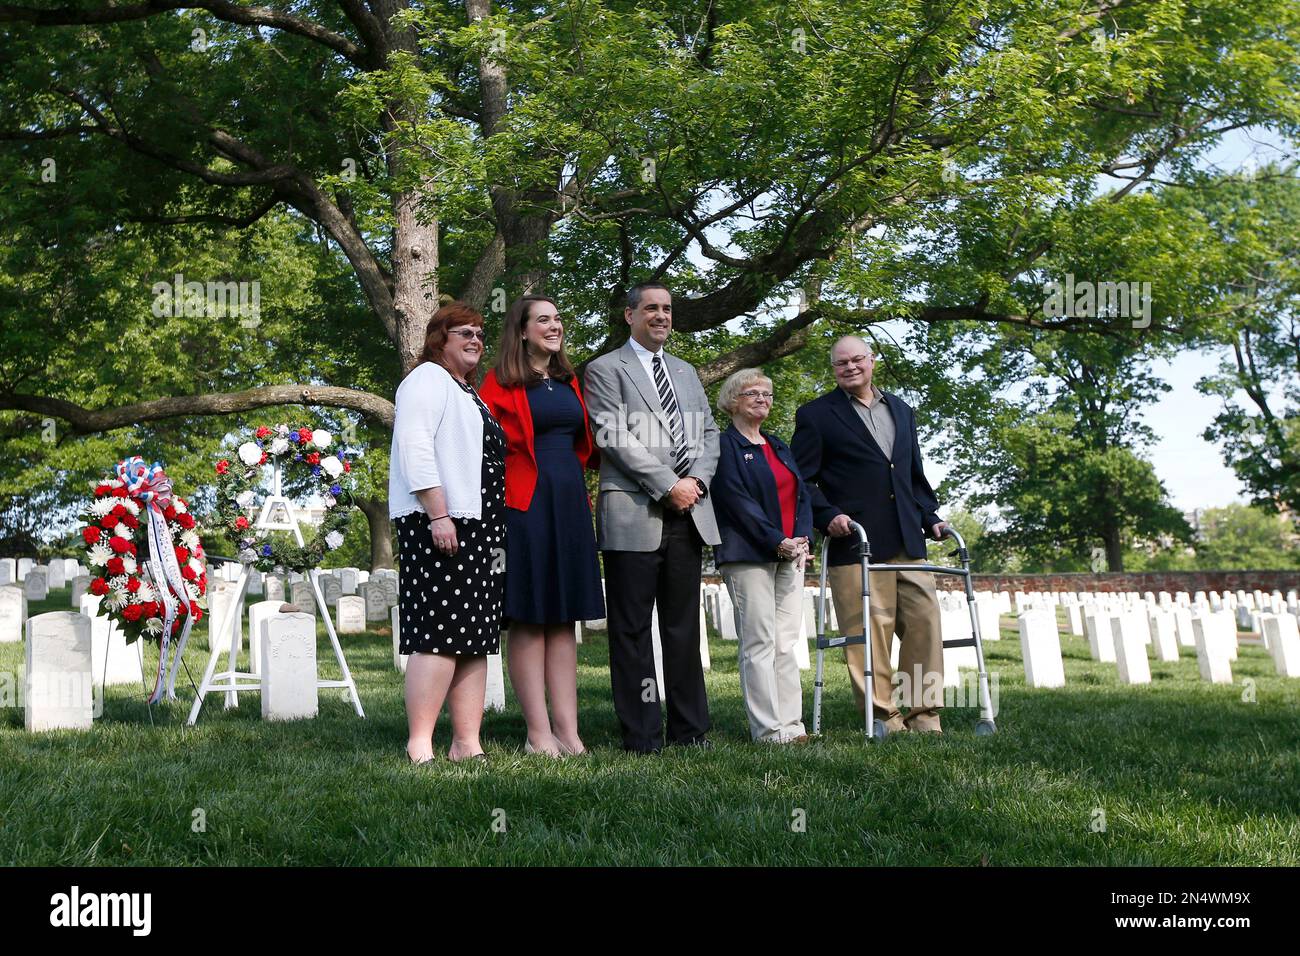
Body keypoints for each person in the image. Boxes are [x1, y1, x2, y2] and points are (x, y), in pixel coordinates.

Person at [583, 281, 720, 753]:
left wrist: (696, 483)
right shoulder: (604, 369)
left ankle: (691, 731)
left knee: (682, 627)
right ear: (630, 316)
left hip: (691, 514)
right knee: (633, 630)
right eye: (651, 308)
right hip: (634, 514)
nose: (661, 315)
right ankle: (642, 736)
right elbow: (612, 436)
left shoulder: (685, 372)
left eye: (667, 308)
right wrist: (668, 485)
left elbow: (709, 433)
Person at [791, 336, 949, 733]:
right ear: (834, 369)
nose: (849, 367)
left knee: (924, 625)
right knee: (869, 633)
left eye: (856, 359)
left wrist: (930, 515)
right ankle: (883, 717)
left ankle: (924, 715)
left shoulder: (901, 409)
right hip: (855, 541)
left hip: (908, 537)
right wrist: (827, 516)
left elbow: (912, 474)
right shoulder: (816, 415)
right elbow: (801, 479)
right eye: (840, 363)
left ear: (872, 361)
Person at [479, 295, 604, 757]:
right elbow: (483, 449)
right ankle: (537, 733)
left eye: (558, 319)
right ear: (523, 330)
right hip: (523, 503)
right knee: (530, 617)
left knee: (563, 618)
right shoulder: (499, 382)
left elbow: (584, 444)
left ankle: (568, 732)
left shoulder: (569, 382)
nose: (554, 326)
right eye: (544, 320)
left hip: (569, 501)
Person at [388, 301, 506, 763]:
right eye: (464, 332)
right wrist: (439, 514)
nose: (475, 339)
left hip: (479, 526)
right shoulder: (425, 380)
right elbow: (416, 448)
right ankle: (420, 740)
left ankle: (466, 742)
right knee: (438, 632)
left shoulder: (467, 391)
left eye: (479, 332)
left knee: (474, 636)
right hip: (440, 522)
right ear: (440, 340)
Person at [712, 368, 813, 744]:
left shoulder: (778, 445)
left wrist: (800, 539)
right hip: (748, 554)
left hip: (791, 554)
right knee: (759, 642)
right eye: (752, 393)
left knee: (787, 642)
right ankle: (768, 730)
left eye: (767, 394)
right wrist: (777, 540)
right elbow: (736, 502)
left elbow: (801, 494)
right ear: (732, 401)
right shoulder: (723, 445)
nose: (762, 399)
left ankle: (793, 726)